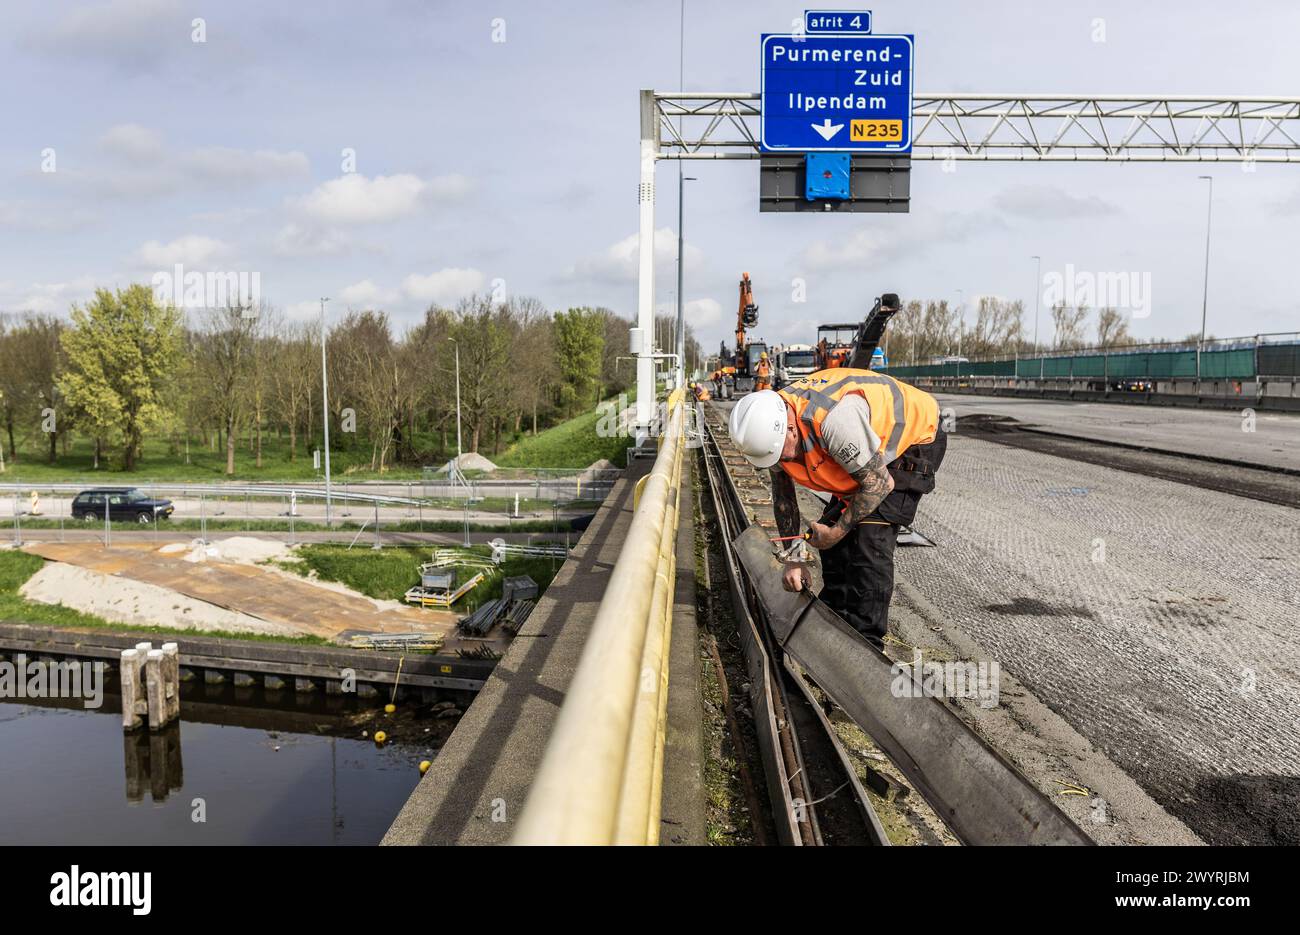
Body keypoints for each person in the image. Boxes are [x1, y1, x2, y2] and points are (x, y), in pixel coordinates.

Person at [728, 368, 946, 647]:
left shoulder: (834, 422)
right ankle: (834, 624)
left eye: (782, 454)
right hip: (865, 451)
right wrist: (793, 558)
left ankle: (867, 647)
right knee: (833, 535)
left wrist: (835, 533)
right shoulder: (773, 424)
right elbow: (784, 497)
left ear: (791, 428)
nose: (784, 462)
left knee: (869, 537)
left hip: (911, 440)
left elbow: (879, 484)